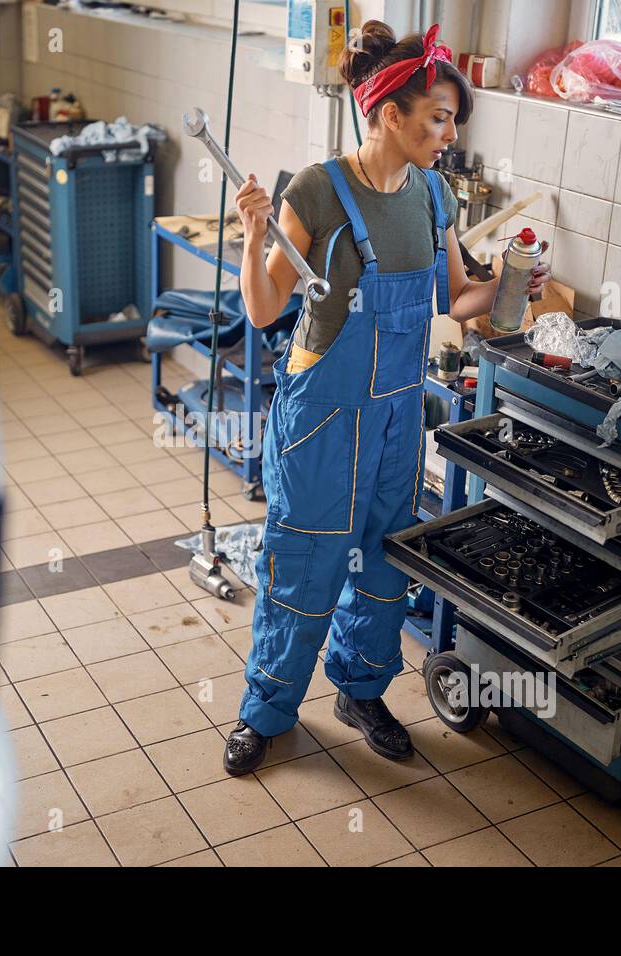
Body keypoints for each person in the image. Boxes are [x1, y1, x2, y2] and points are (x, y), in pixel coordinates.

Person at [224, 20, 552, 774]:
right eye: (438, 117)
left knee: (385, 563)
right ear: (388, 115)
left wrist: (507, 283)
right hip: (323, 417)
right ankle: (265, 708)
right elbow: (266, 308)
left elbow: (456, 299)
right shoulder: (316, 190)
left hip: (399, 414)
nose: (447, 134)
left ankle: (360, 690)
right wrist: (251, 235)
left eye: (453, 121)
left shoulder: (433, 196)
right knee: (303, 564)